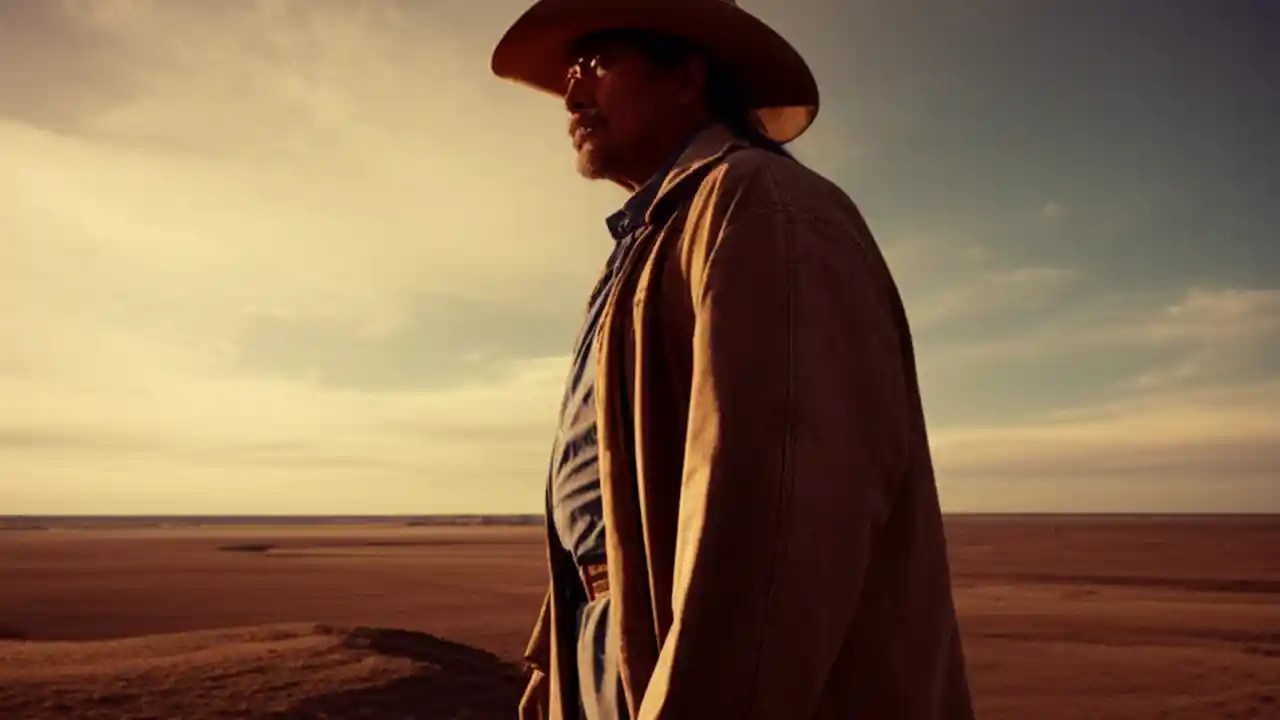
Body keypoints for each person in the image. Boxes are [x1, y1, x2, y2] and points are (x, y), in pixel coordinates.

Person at [491, 1, 975, 718]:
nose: (571, 93)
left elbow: (775, 516)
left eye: (597, 63)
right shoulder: (649, 242)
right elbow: (612, 494)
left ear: (688, 75)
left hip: (695, 663)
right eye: (570, 71)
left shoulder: (761, 203)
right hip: (623, 641)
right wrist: (558, 660)